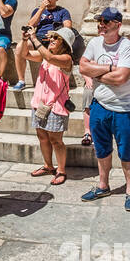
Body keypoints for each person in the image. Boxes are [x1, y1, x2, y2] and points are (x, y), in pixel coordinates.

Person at [75, 8, 130, 210]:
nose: (101, 24)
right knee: (102, 149)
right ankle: (103, 185)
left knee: (126, 152)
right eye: (100, 21)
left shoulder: (127, 46)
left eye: (105, 21)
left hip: (122, 108)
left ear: (117, 25)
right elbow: (83, 67)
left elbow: (122, 78)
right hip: (98, 106)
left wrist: (97, 73)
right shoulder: (95, 43)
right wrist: (111, 69)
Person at [25, 24, 75, 187]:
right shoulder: (45, 55)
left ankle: (61, 170)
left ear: (65, 43)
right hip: (40, 104)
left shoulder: (66, 59)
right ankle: (48, 166)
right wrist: (25, 39)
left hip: (57, 106)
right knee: (42, 136)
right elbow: (23, 54)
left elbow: (50, 58)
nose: (52, 39)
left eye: (56, 38)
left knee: (56, 140)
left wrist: (34, 38)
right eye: (52, 37)